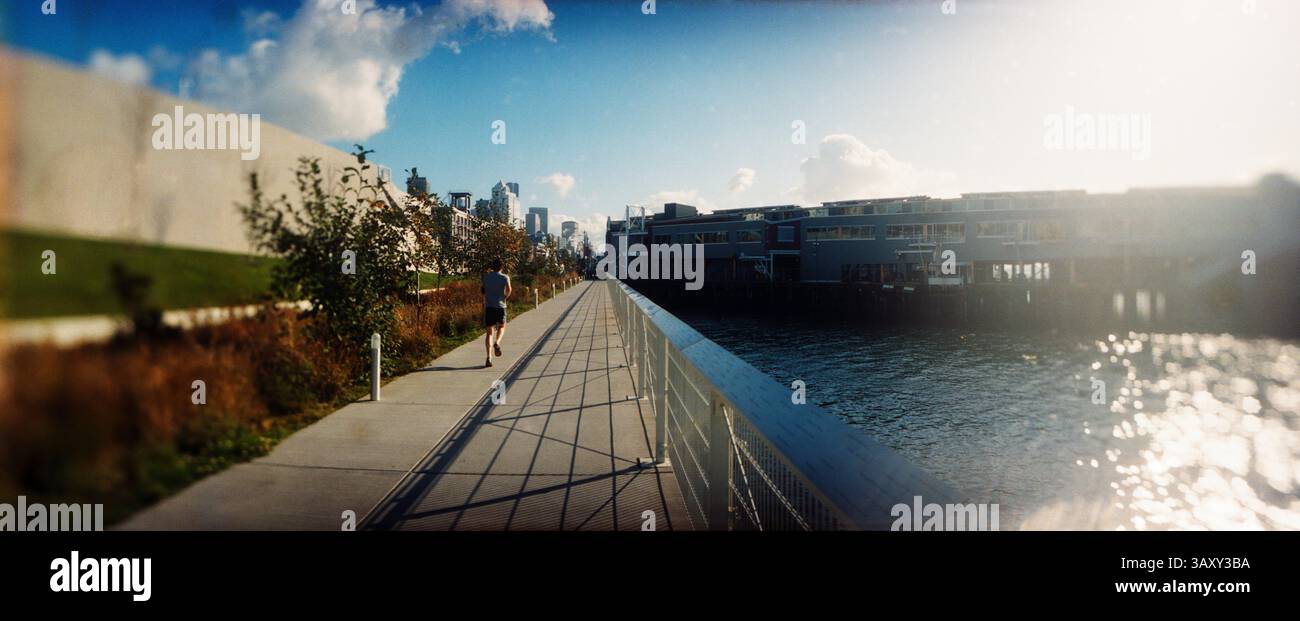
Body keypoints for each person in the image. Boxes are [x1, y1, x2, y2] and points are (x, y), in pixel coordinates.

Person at [481, 259, 512, 368]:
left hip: (489, 307)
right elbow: (509, 290)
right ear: (501, 267)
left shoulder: (486, 277)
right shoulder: (505, 277)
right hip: (500, 307)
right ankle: (497, 342)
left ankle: (489, 357)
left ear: (492, 267)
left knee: (489, 333)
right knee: (502, 327)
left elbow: (483, 291)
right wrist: (504, 297)